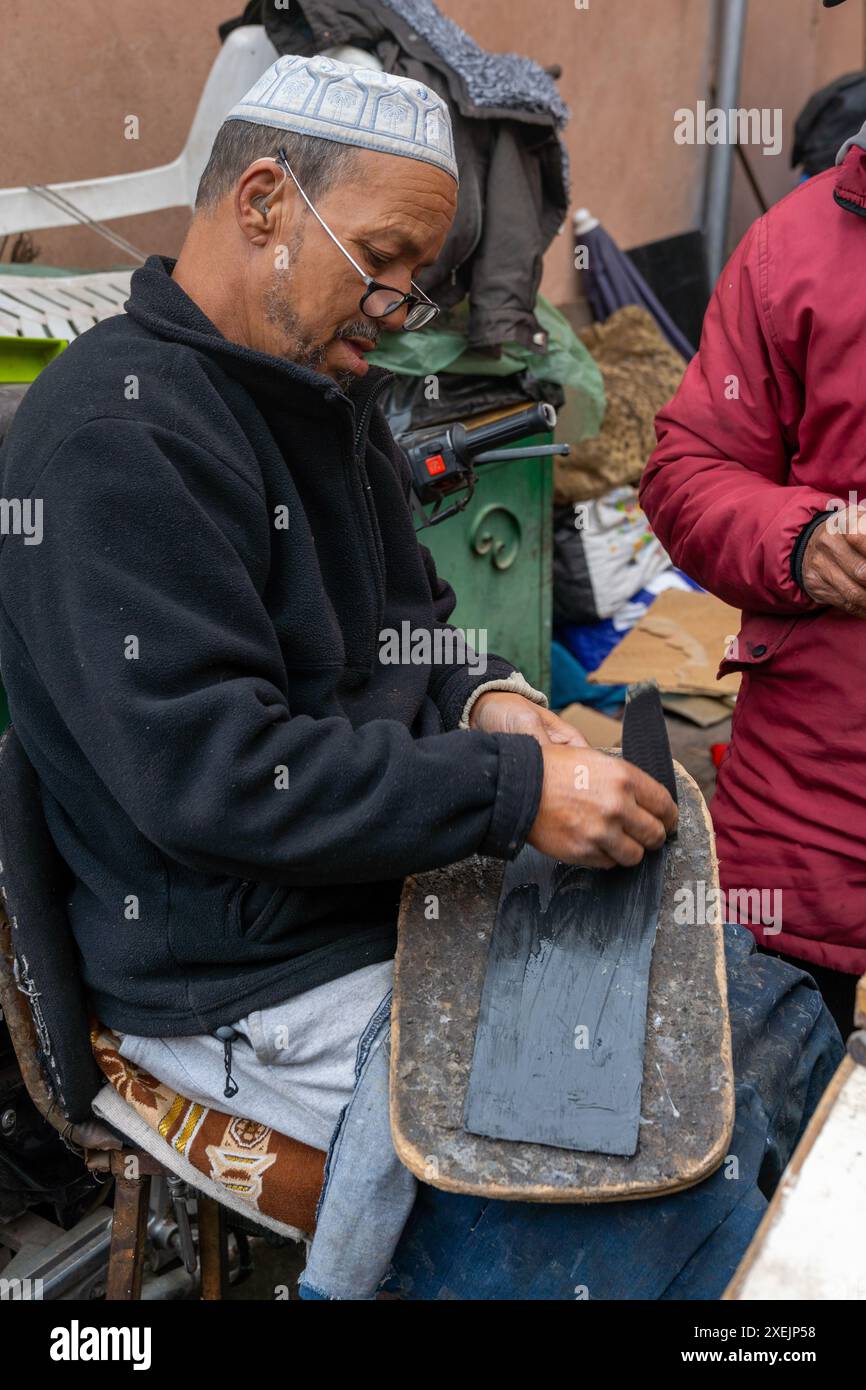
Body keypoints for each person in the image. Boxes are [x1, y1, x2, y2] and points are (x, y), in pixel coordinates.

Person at [0, 54, 841, 1299]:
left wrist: (491, 698)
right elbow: (220, 780)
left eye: (419, 277)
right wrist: (509, 792)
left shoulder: (325, 399)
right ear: (265, 202)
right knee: (642, 1213)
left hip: (371, 890)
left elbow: (417, 629)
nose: (398, 307)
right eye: (382, 262)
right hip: (239, 964)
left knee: (773, 1020)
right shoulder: (106, 442)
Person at [641, 114, 866, 1039]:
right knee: (785, 1123)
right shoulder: (793, 250)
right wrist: (804, 540)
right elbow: (684, 473)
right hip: (814, 813)